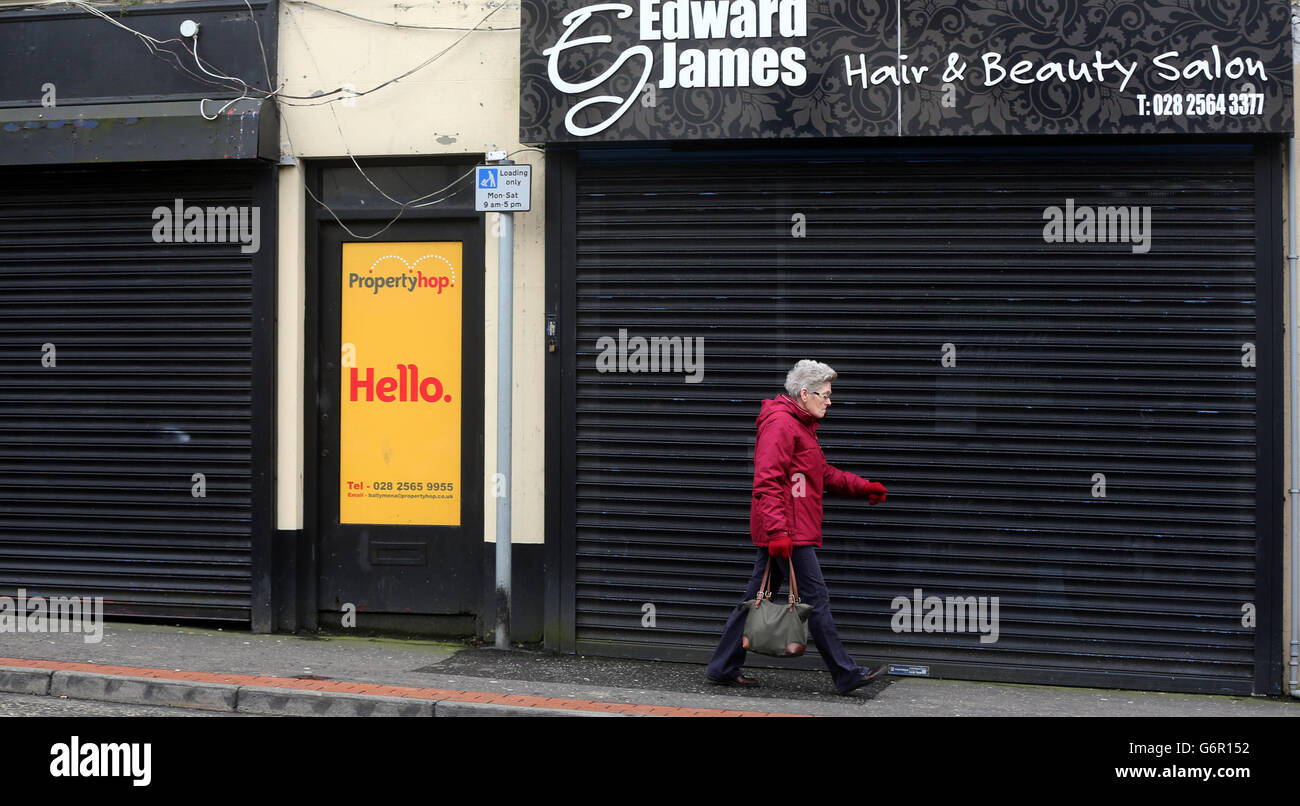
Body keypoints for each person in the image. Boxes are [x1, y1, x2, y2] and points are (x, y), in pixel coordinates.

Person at [704, 359, 889, 695]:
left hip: (789, 531)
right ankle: (845, 673)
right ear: (805, 394)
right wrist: (777, 532)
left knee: (754, 599)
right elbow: (767, 482)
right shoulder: (780, 425)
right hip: (788, 532)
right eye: (826, 394)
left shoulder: (799, 426)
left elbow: (823, 474)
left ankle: (722, 666)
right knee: (815, 600)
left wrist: (864, 487)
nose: (830, 401)